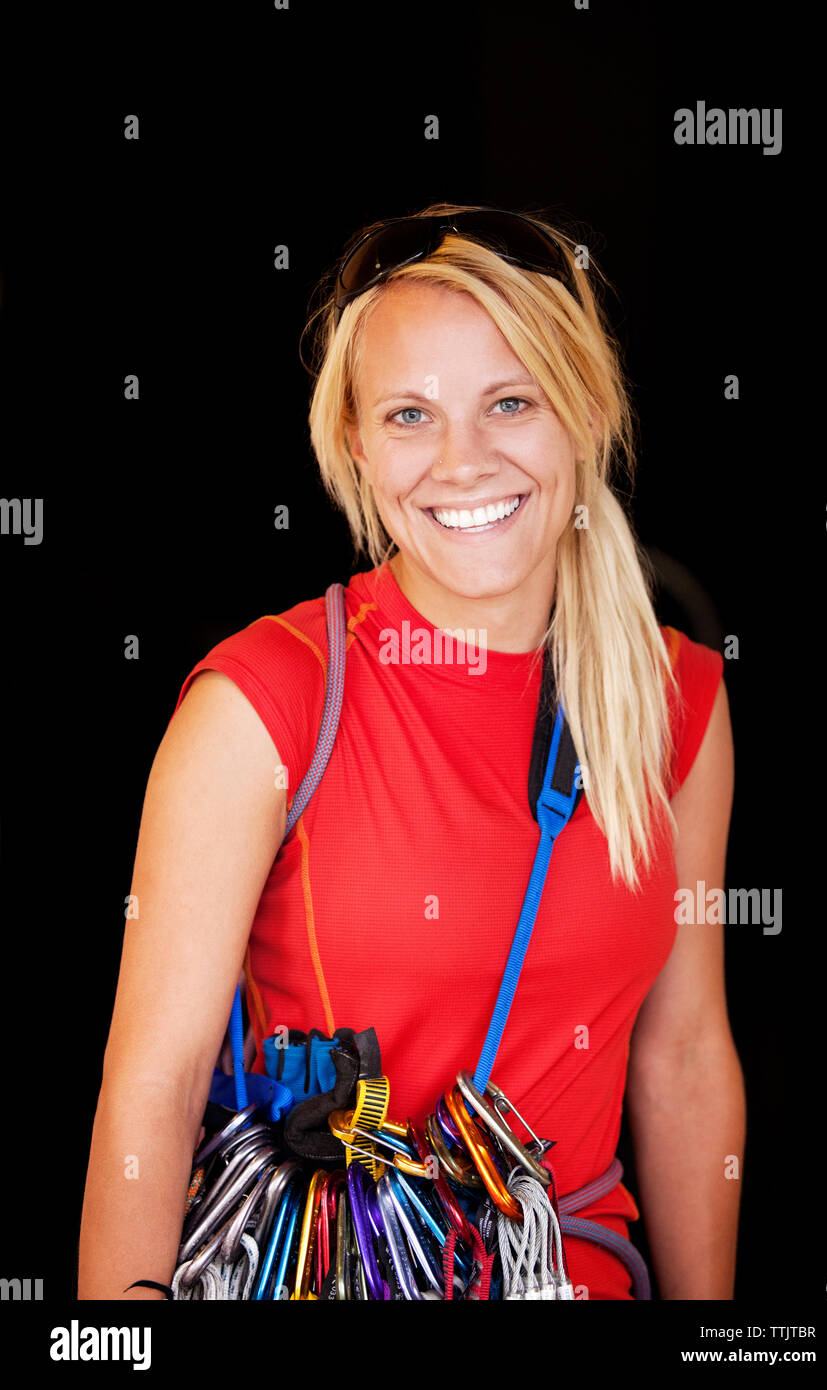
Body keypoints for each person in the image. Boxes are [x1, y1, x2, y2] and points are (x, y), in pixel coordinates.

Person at [78, 203, 743, 1300]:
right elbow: (152, 1080)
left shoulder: (674, 699)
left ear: (581, 410)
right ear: (351, 439)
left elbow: (681, 1060)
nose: (461, 461)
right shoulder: (265, 700)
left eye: (509, 402)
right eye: (408, 415)